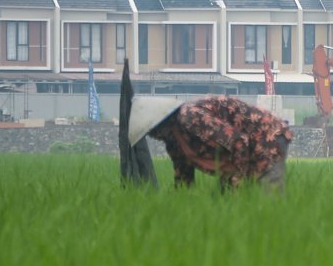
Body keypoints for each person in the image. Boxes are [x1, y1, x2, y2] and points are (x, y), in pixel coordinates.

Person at [119, 64, 292, 191]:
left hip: (266, 137)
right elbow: (184, 181)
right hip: (241, 153)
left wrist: (237, 180)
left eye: (153, 130)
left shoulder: (190, 117)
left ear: (162, 122)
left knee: (268, 197)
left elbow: (239, 142)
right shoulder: (174, 142)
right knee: (223, 204)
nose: (154, 136)